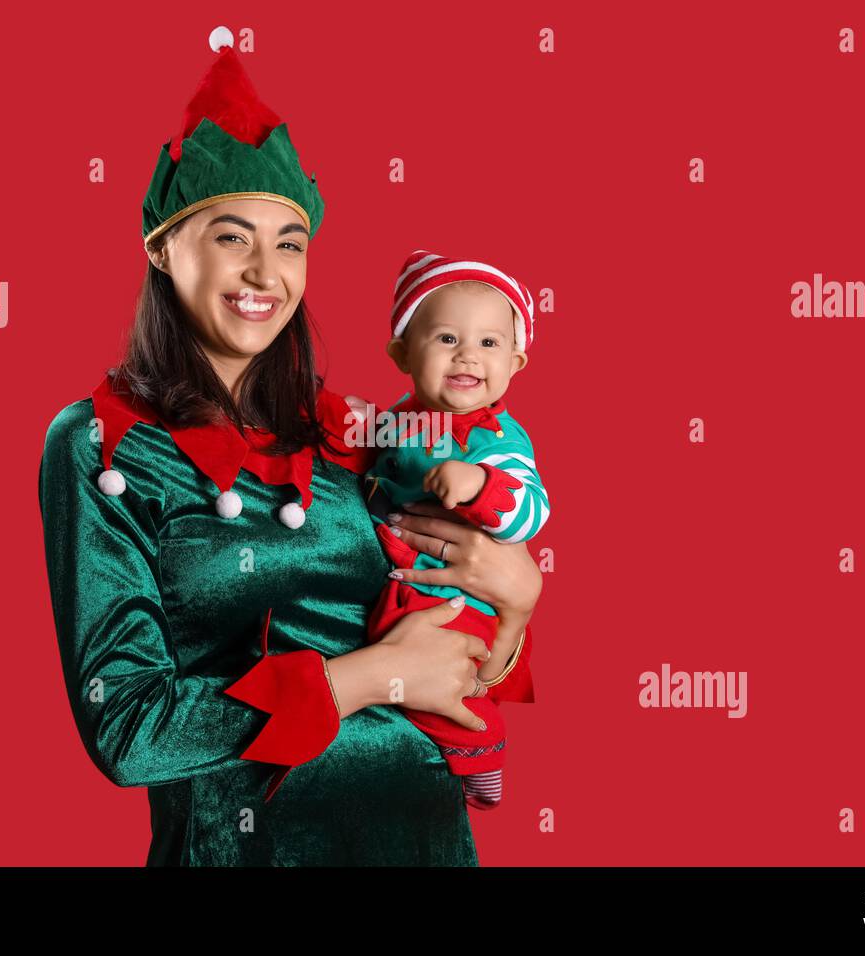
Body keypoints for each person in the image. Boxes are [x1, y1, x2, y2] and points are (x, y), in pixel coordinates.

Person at [36, 30, 541, 866]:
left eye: (290, 242)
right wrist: (373, 679)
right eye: (232, 237)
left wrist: (515, 607)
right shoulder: (102, 447)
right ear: (163, 246)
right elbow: (127, 728)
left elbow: (456, 654)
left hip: (425, 840)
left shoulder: (356, 432)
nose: (265, 272)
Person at [358, 252, 549, 811]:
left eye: (489, 344)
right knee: (391, 661)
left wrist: (479, 486)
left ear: (515, 362)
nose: (468, 353)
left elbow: (532, 511)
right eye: (445, 338)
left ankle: (479, 747)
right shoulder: (396, 418)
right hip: (403, 576)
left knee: (437, 680)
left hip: (454, 596)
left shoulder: (498, 440)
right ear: (401, 354)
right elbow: (375, 469)